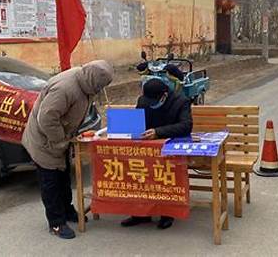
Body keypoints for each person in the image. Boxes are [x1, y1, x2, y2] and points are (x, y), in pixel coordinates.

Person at [22, 60, 114, 239]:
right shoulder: (65, 89)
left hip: (61, 139)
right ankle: (56, 222)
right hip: (44, 141)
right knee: (51, 182)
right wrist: (61, 140)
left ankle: (67, 210)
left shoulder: (85, 82)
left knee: (64, 178)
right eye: (101, 85)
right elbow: (47, 119)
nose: (102, 89)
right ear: (94, 80)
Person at [121, 78, 192, 230]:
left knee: (165, 176)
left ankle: (167, 213)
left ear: (164, 95)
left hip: (169, 148)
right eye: (148, 100)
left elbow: (186, 126)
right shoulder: (144, 100)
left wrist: (158, 132)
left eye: (154, 100)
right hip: (146, 148)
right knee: (137, 174)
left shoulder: (181, 101)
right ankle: (140, 214)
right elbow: (136, 121)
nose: (150, 103)